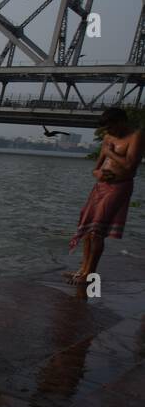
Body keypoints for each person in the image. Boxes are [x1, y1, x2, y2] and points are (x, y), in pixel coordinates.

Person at [68, 107, 142, 284]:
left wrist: (110, 152)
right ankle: (83, 270)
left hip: (119, 186)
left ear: (121, 122)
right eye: (106, 129)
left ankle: (90, 275)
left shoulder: (135, 136)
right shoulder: (108, 138)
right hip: (100, 186)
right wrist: (98, 174)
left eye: (110, 127)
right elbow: (96, 167)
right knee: (87, 230)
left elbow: (130, 166)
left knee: (97, 231)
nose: (108, 132)